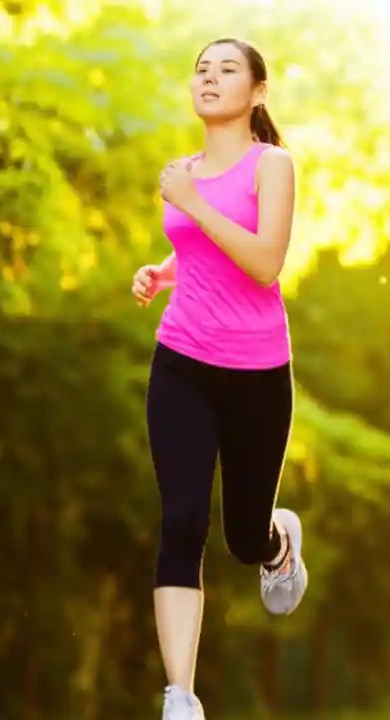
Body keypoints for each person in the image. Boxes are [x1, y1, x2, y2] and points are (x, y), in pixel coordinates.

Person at [131, 37, 308, 720]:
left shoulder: (273, 165)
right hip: (181, 361)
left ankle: (277, 542)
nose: (209, 77)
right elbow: (199, 249)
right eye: (201, 69)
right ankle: (180, 696)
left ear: (257, 93)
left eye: (226, 69)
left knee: (241, 538)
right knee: (180, 521)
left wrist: (191, 201)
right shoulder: (184, 170)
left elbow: (264, 262)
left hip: (257, 374)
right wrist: (161, 270)